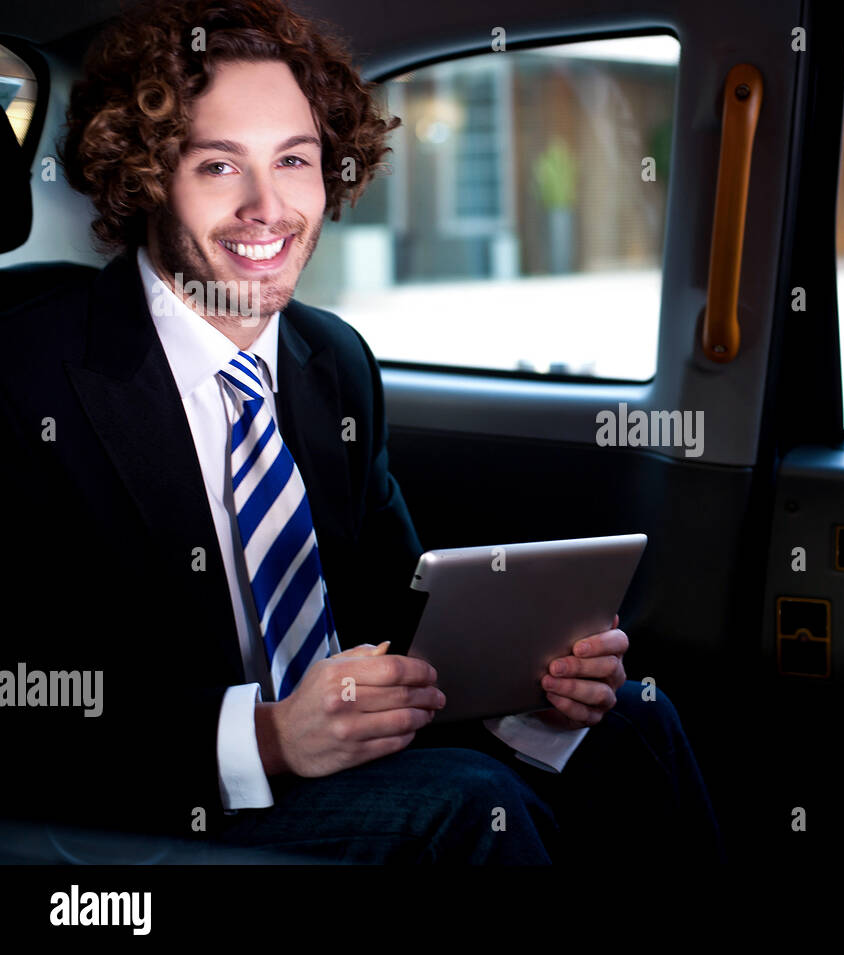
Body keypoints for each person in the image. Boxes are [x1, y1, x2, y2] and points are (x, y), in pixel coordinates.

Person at [0, 0, 721, 863]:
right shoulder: (25, 373)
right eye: (220, 165)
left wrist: (527, 687)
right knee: (466, 803)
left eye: (295, 161)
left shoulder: (329, 359)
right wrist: (266, 736)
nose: (269, 207)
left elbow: (399, 621)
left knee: (637, 718)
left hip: (350, 755)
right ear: (146, 174)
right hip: (151, 808)